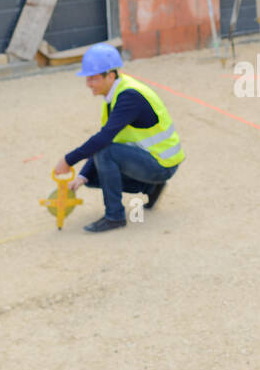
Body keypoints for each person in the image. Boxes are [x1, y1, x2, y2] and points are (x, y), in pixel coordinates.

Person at [54, 43, 185, 233]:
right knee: (93, 174)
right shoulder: (113, 97)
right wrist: (82, 176)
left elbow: (103, 141)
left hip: (162, 163)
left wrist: (69, 160)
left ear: (111, 75)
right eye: (87, 78)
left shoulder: (129, 97)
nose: (88, 84)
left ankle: (114, 217)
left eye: (93, 78)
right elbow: (105, 140)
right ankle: (151, 189)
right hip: (153, 160)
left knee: (106, 154)